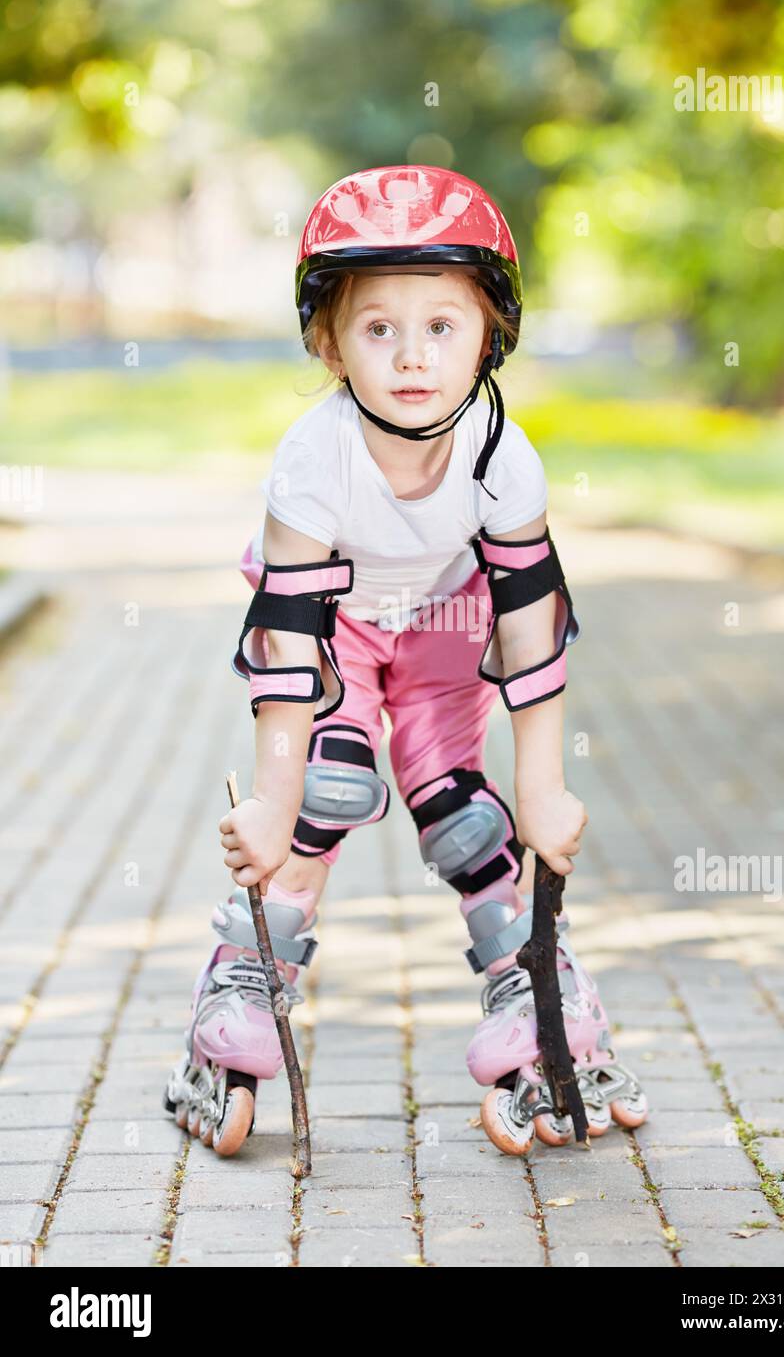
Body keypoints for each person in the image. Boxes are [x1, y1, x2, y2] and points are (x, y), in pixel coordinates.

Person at [163, 165, 648, 1157]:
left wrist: (546, 788)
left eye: (441, 325)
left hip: (443, 613)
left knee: (458, 806)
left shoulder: (502, 460)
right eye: (377, 327)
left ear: (489, 336)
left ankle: (528, 970)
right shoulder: (312, 460)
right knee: (325, 790)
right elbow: (290, 644)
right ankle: (248, 971)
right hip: (334, 614)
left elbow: (528, 630)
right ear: (327, 342)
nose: (411, 356)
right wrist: (267, 799)